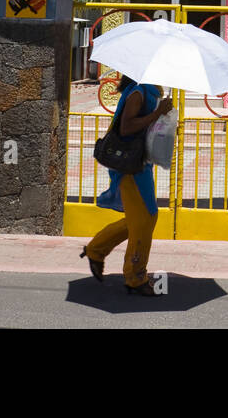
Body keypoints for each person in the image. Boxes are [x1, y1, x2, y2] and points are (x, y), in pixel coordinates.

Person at [80, 74, 174, 296]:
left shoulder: (149, 91)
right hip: (130, 168)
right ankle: (135, 276)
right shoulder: (138, 92)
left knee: (142, 218)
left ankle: (96, 249)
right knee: (145, 219)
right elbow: (126, 128)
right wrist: (157, 114)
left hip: (139, 164)